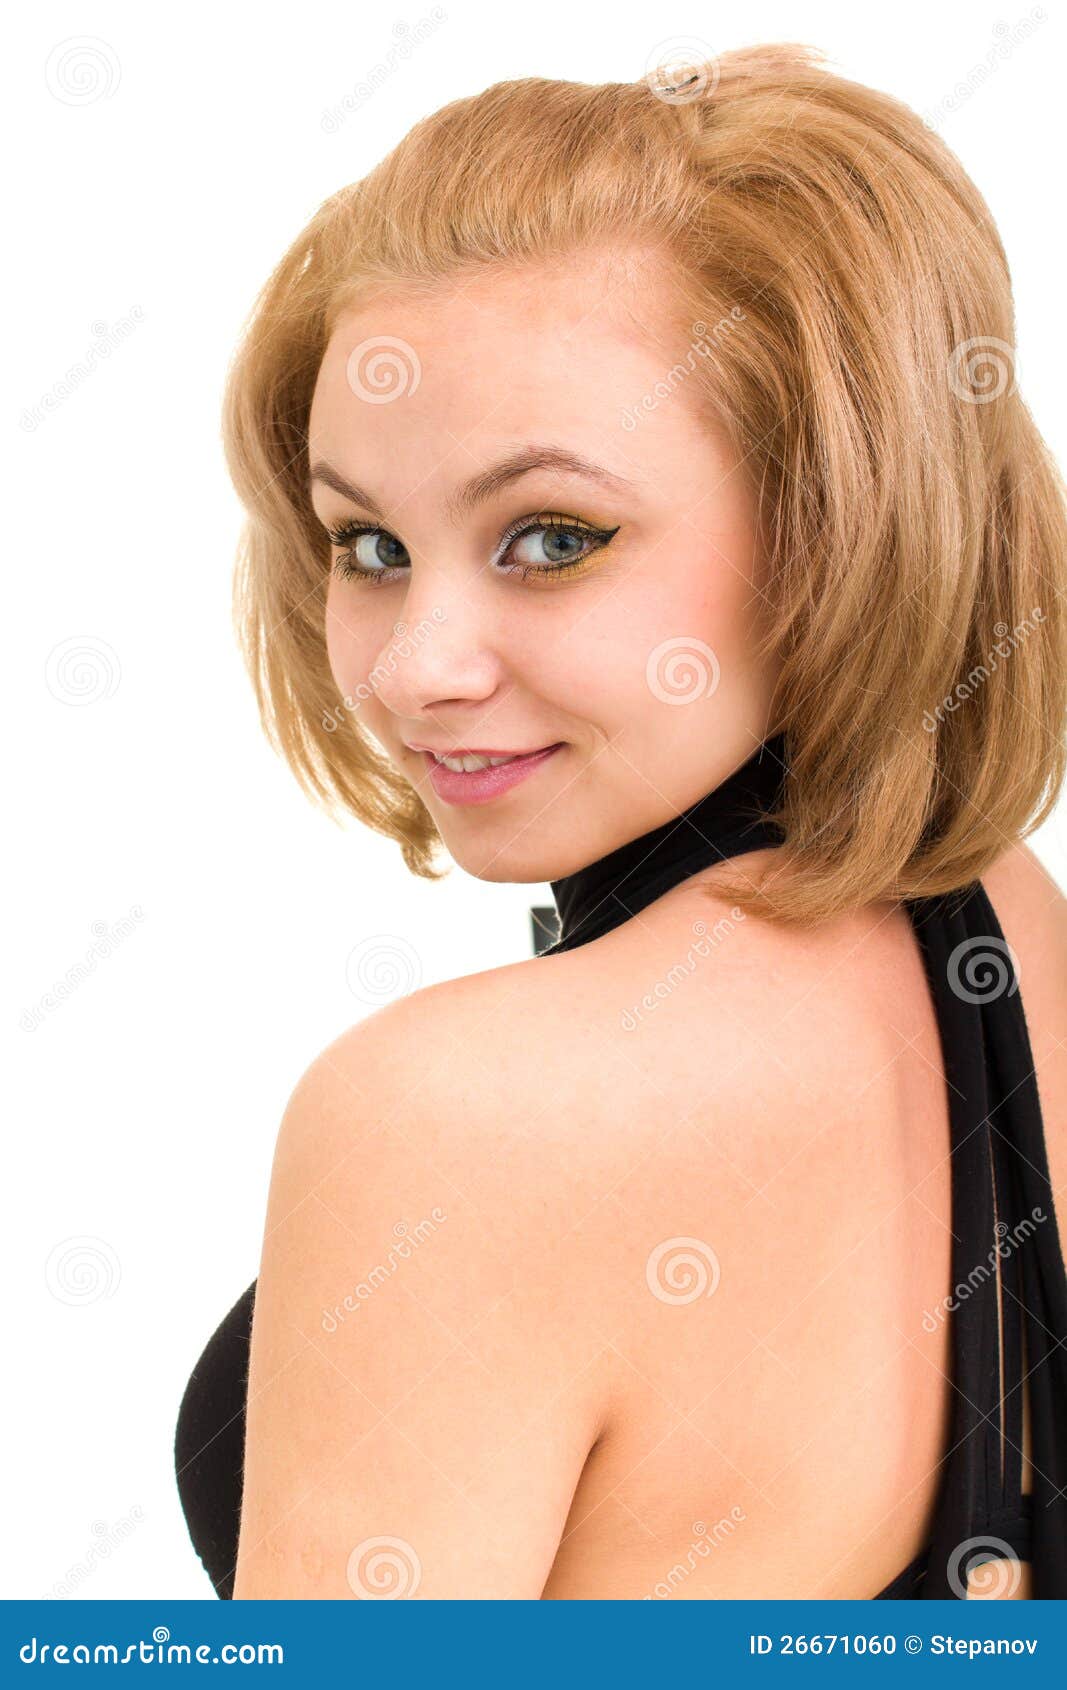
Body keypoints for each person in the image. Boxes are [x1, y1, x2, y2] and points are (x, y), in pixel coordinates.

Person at [174, 42, 1067, 1600]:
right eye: (366, 542)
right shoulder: (1012, 923)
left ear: (834, 526)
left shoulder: (454, 1117)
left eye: (552, 537)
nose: (415, 665)